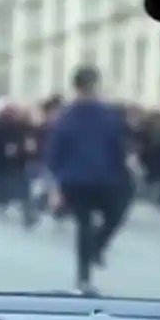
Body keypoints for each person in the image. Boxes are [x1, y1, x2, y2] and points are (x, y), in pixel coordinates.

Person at [45, 65, 130, 296]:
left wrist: (56, 183)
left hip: (75, 180)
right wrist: (122, 172)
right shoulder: (108, 114)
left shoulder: (67, 115)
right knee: (114, 215)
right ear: (95, 85)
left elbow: (55, 152)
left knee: (84, 226)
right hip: (103, 178)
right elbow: (118, 148)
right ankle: (95, 250)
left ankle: (84, 276)